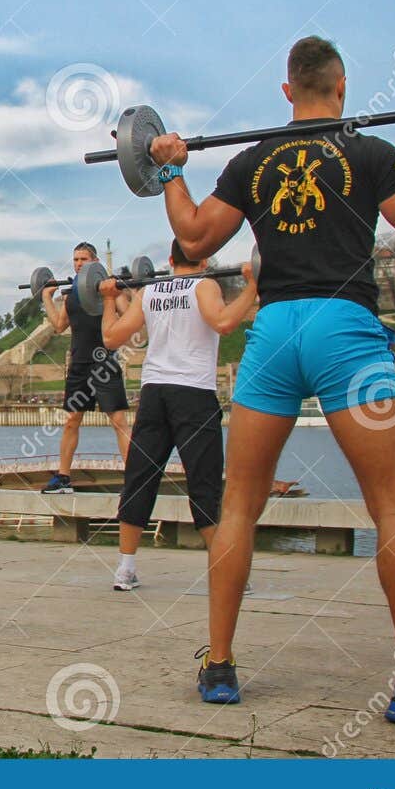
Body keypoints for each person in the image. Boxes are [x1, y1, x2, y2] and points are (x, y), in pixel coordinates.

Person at [153, 35, 395, 724]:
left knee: (238, 504)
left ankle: (218, 666)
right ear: (340, 86)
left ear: (286, 91)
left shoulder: (251, 161)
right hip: (345, 332)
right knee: (392, 505)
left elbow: (191, 239)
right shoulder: (366, 152)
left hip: (272, 335)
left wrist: (169, 168)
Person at [97, 240, 257, 591]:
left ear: (170, 260)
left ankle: (125, 569)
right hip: (193, 395)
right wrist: (254, 285)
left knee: (139, 478)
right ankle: (228, 574)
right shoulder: (206, 284)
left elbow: (110, 338)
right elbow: (226, 322)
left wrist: (109, 298)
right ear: (205, 260)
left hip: (154, 394)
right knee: (205, 484)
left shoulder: (150, 291)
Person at [39, 242, 132, 494]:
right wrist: (47, 296)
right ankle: (63, 478)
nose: (79, 264)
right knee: (71, 421)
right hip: (79, 363)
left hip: (104, 360)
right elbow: (59, 325)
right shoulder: (70, 294)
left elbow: (131, 316)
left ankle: (135, 480)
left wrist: (113, 294)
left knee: (119, 420)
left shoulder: (109, 288)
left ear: (95, 262)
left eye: (84, 259)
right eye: (76, 260)